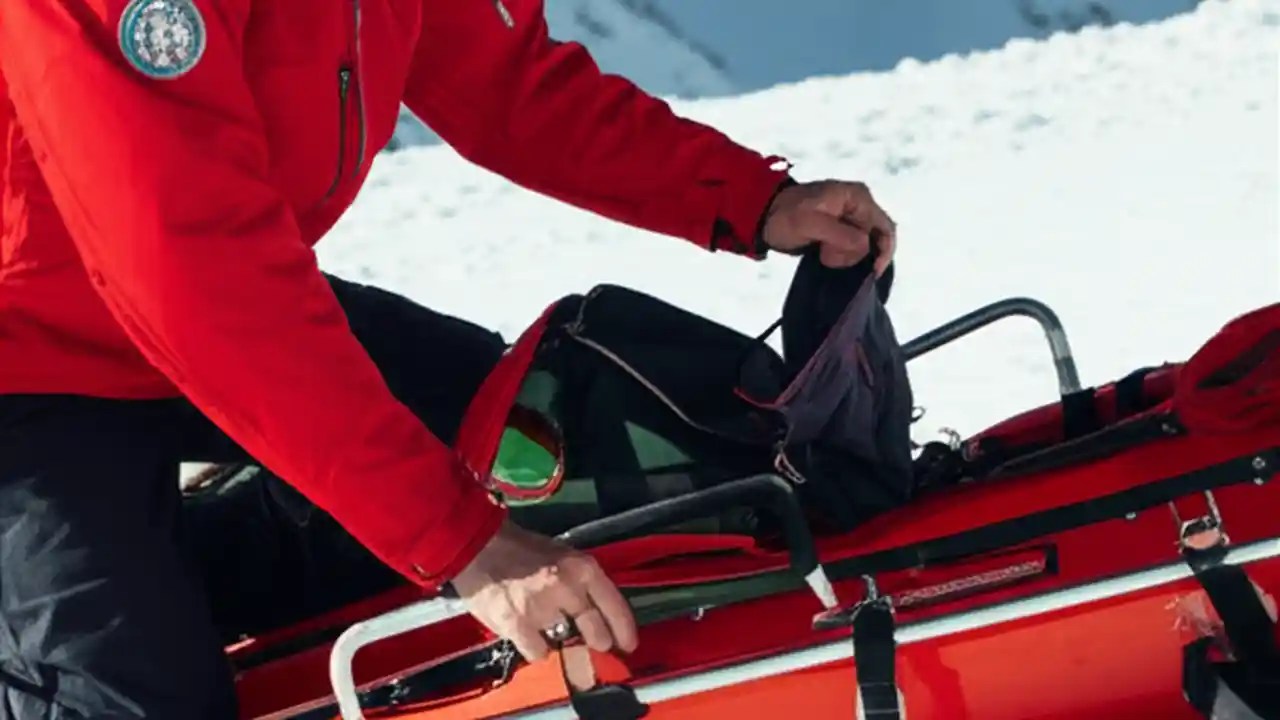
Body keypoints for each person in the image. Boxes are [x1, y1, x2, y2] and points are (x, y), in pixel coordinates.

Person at [0, 0, 897, 716]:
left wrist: (754, 199)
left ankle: (160, 560)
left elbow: (507, 81)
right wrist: (464, 544)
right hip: (29, 361)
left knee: (532, 455)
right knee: (138, 697)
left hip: (210, 300)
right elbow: (186, 268)